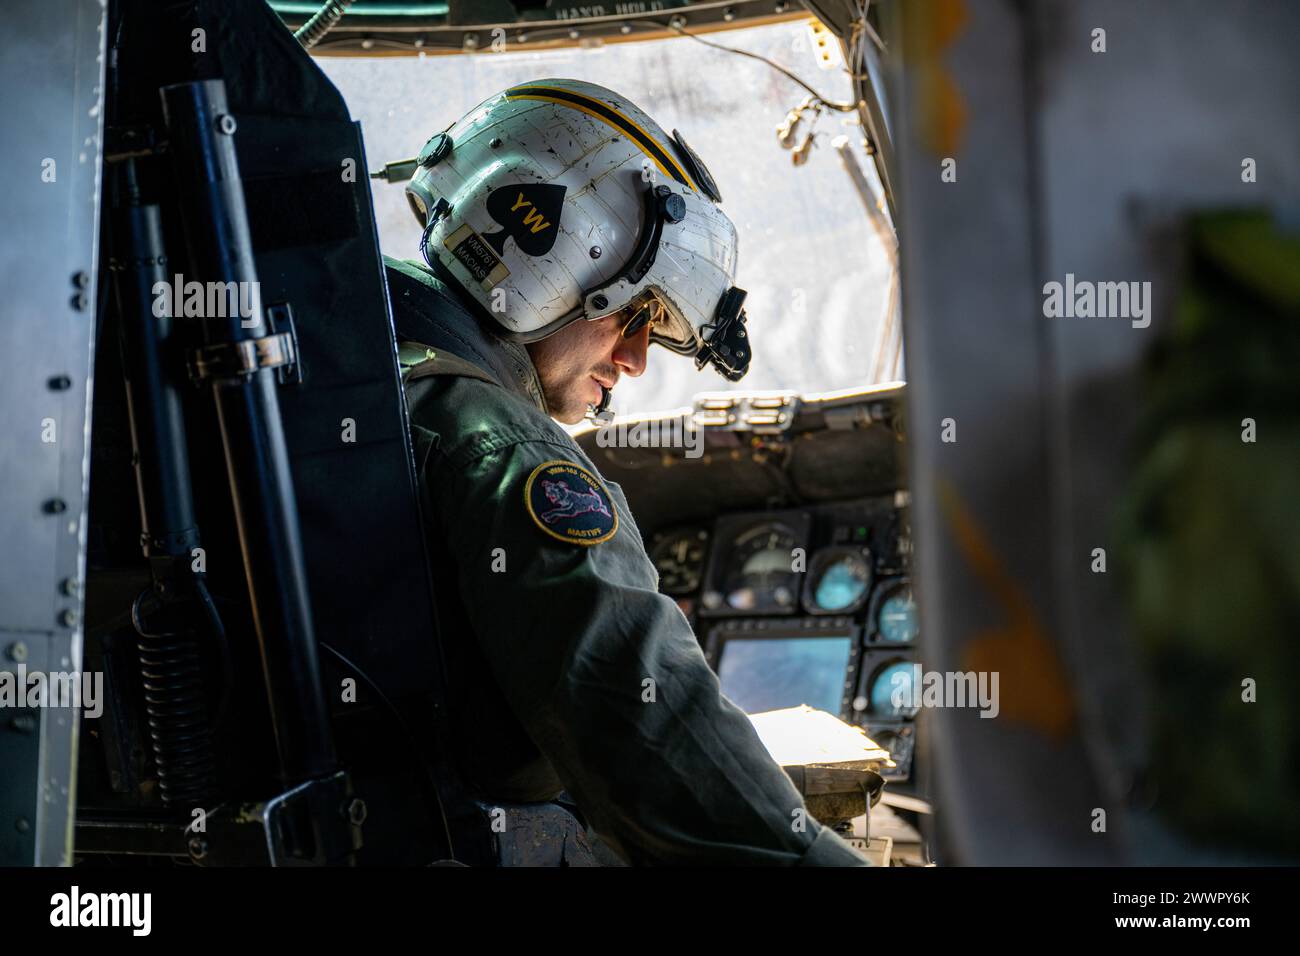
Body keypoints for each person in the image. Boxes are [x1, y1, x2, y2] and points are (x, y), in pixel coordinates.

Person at [387, 78, 866, 866]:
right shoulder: (504, 446)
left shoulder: (337, 351)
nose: (638, 361)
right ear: (554, 253)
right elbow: (654, 739)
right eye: (635, 315)